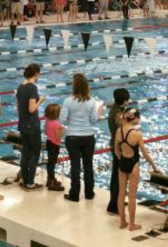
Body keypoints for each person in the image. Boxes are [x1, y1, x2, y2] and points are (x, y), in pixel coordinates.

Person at [58, 74, 104, 202]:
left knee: (75, 167)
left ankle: (74, 195)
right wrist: (99, 111)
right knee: (88, 166)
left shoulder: (67, 101)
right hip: (88, 138)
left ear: (74, 86)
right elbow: (93, 120)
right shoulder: (91, 102)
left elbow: (61, 120)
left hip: (72, 137)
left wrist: (71, 121)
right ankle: (89, 194)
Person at [115, 108, 160, 231]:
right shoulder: (137, 134)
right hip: (133, 165)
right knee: (132, 196)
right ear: (135, 118)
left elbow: (116, 151)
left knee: (121, 193)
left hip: (122, 163)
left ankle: (122, 222)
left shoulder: (119, 131)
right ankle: (132, 225)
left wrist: (122, 161)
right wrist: (155, 167)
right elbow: (145, 154)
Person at [16, 63, 46, 191]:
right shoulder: (32, 88)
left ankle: (24, 179)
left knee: (25, 152)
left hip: (22, 124)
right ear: (36, 74)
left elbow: (18, 108)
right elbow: (31, 108)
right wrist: (41, 100)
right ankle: (30, 183)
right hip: (32, 125)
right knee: (35, 153)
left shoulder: (20, 86)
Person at [106, 88, 131, 215]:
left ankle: (117, 200)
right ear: (125, 100)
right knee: (118, 176)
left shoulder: (116, 110)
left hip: (116, 145)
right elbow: (123, 131)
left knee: (119, 175)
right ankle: (113, 204)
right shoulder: (119, 115)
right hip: (119, 148)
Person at [43, 104, 65, 192]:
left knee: (50, 162)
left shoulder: (47, 121)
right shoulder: (57, 124)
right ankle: (51, 182)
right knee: (52, 162)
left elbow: (46, 132)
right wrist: (62, 130)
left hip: (49, 142)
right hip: (55, 144)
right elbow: (58, 137)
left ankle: (50, 179)